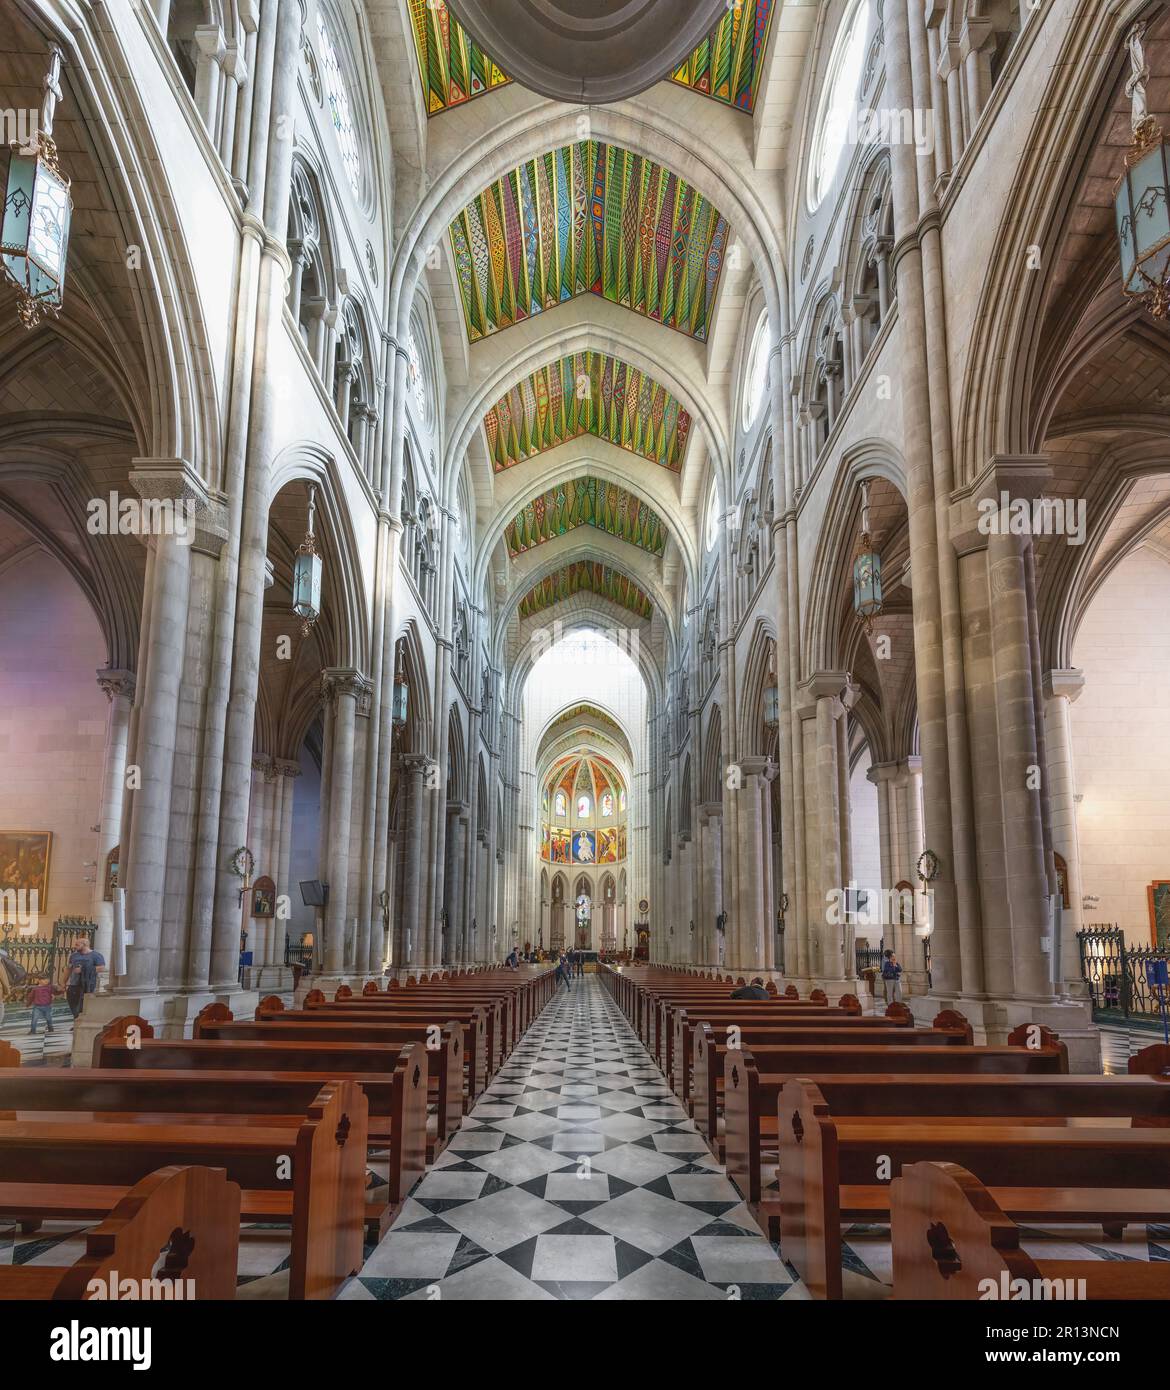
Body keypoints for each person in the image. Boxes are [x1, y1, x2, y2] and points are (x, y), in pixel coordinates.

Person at [65, 937, 106, 1019]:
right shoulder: (73, 956)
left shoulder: (96, 955)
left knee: (83, 1004)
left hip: (88, 984)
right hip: (74, 983)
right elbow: (68, 969)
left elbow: (101, 968)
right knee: (72, 1003)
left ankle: (80, 1021)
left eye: (77, 944)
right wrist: (63, 982)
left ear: (85, 945)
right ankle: (76, 1019)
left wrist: (83, 969)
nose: (75, 946)